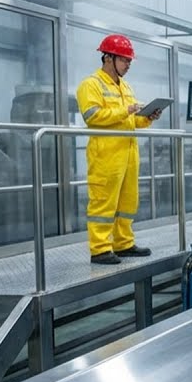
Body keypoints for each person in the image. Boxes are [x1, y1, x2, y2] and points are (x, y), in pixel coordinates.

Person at [76, 34, 161, 265]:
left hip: (129, 153)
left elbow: (132, 121)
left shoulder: (126, 87)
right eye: (124, 60)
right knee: (103, 202)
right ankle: (100, 248)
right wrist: (126, 110)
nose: (128, 65)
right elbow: (92, 116)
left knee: (127, 201)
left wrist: (147, 118)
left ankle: (123, 243)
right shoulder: (90, 84)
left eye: (129, 61)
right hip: (106, 155)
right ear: (108, 58)